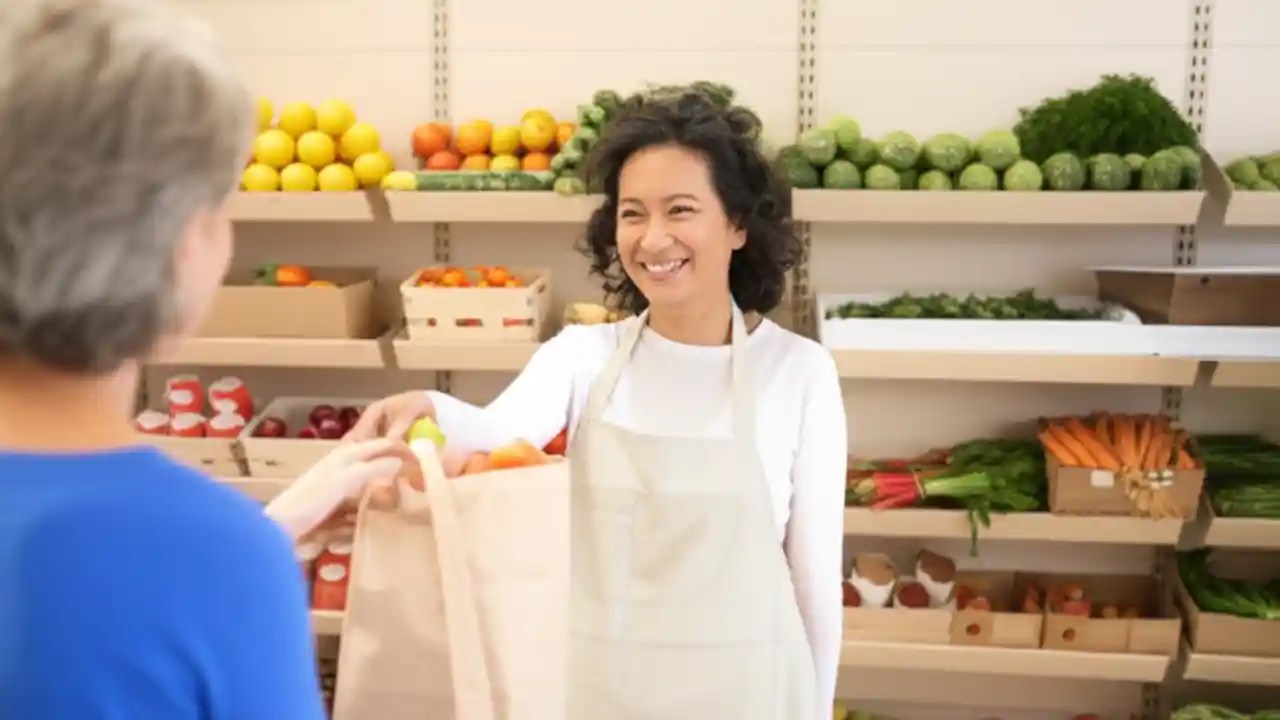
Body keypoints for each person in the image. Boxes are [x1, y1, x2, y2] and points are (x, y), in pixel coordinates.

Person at [348, 87, 848, 718]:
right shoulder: (583, 357)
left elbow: (814, 589)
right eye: (633, 213)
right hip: (603, 692)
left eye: (681, 210)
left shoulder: (799, 372)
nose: (653, 237)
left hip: (745, 694)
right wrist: (425, 405)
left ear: (739, 225)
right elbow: (495, 433)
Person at [0, 1, 405, 717]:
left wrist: (270, 527)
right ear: (184, 246)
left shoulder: (216, 555)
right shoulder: (214, 560)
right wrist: (242, 553)